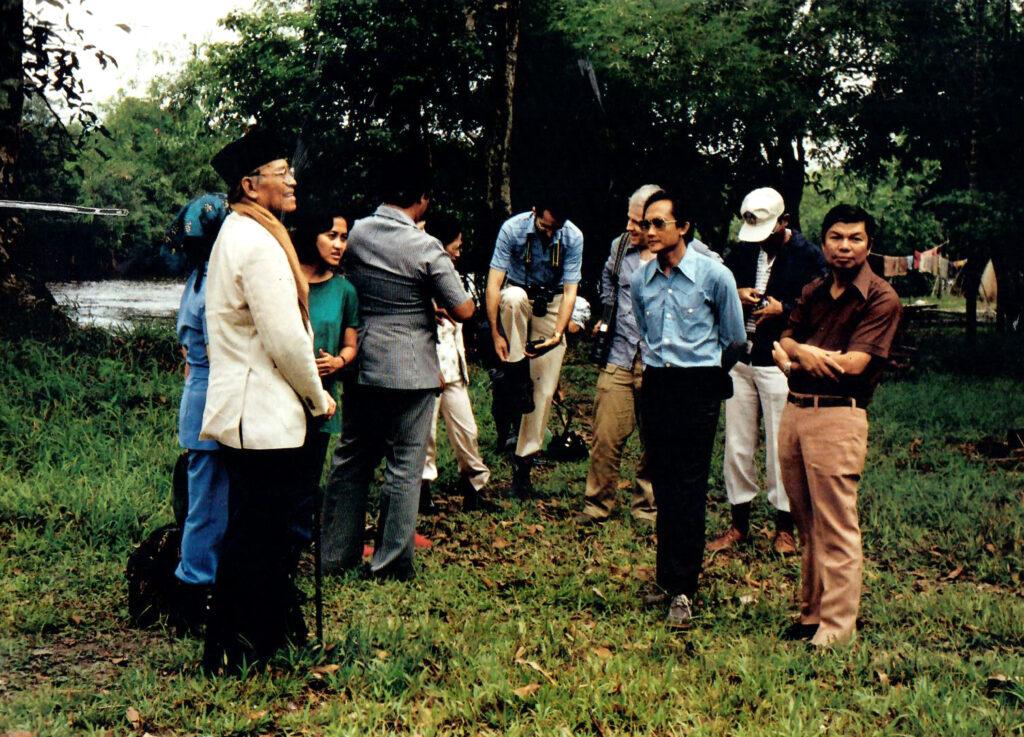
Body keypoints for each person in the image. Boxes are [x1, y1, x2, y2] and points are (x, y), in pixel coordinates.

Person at [199, 129, 337, 674]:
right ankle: (242, 651)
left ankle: (245, 645)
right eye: (283, 171)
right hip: (265, 419)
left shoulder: (240, 232)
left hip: (247, 415)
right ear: (251, 185)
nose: (293, 179)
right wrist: (318, 395)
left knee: (250, 536)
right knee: (260, 540)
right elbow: (286, 341)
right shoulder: (258, 244)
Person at [320, 150, 474, 581]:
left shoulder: (359, 234)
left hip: (364, 358)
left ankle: (334, 555)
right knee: (405, 465)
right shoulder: (426, 247)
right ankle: (389, 563)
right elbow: (462, 309)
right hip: (411, 368)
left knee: (352, 458)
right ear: (422, 199)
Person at [773, 204, 901, 648]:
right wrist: (799, 353)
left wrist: (799, 355)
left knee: (836, 525)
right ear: (823, 241)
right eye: (836, 237)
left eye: (855, 238)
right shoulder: (813, 289)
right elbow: (784, 338)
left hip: (838, 415)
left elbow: (854, 364)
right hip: (795, 412)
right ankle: (812, 615)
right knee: (805, 521)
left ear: (869, 244)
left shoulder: (882, 299)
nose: (845, 247)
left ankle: (837, 630)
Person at [576, 184, 723, 529]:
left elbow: (717, 283)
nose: (630, 228)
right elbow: (608, 282)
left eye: (638, 223)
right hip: (620, 353)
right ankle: (597, 504)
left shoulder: (694, 253)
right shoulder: (621, 246)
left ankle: (647, 508)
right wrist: (605, 316)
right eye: (630, 220)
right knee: (605, 433)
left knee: (655, 437)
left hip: (663, 362)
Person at [630, 189, 745, 628]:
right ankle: (666, 575)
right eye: (646, 223)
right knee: (663, 478)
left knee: (690, 483)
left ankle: (683, 587)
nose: (650, 232)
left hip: (699, 384)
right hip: (659, 382)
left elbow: (734, 339)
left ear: (684, 227)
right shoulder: (642, 279)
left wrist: (707, 373)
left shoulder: (715, 276)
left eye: (660, 223)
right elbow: (644, 329)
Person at [709, 187, 827, 555]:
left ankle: (784, 527)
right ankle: (739, 524)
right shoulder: (744, 251)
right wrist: (738, 293)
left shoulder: (808, 256)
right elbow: (717, 285)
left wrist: (785, 309)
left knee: (782, 446)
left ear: (785, 222)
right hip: (741, 357)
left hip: (779, 361)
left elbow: (821, 304)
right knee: (738, 444)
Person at [485, 195, 584, 497]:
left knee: (542, 391)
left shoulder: (573, 236)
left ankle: (523, 466)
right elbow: (493, 283)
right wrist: (495, 334)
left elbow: (570, 292)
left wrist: (557, 334)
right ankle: (515, 373)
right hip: (517, 298)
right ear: (535, 212)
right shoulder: (513, 229)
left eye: (557, 228)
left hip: (551, 303)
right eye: (545, 226)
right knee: (513, 298)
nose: (550, 233)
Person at [166, 193, 230, 634]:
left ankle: (201, 584)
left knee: (206, 500)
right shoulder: (212, 286)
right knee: (206, 506)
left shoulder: (195, 280)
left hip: (197, 398)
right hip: (210, 401)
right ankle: (192, 592)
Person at [292, 209, 359, 541]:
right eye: (331, 236)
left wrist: (339, 362)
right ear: (311, 236)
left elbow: (351, 343)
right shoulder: (286, 279)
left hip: (323, 399)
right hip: (283, 398)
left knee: (307, 479)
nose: (339, 245)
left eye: (344, 238)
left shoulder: (345, 290)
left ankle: (298, 546)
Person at [419, 212, 491, 513]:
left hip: (454, 367)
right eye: (456, 246)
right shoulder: (422, 273)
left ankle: (475, 488)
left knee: (466, 429)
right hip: (428, 366)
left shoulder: (453, 275)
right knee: (426, 434)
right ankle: (421, 492)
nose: (459, 252)